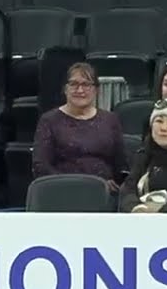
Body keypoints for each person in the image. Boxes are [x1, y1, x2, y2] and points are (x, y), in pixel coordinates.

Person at [31, 62, 128, 194]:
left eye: (86, 84)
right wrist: (76, 186)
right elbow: (41, 166)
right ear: (65, 89)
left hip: (103, 194)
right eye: (74, 84)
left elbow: (121, 164)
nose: (80, 90)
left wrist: (115, 184)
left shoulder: (110, 120)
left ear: (96, 90)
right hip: (61, 192)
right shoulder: (49, 120)